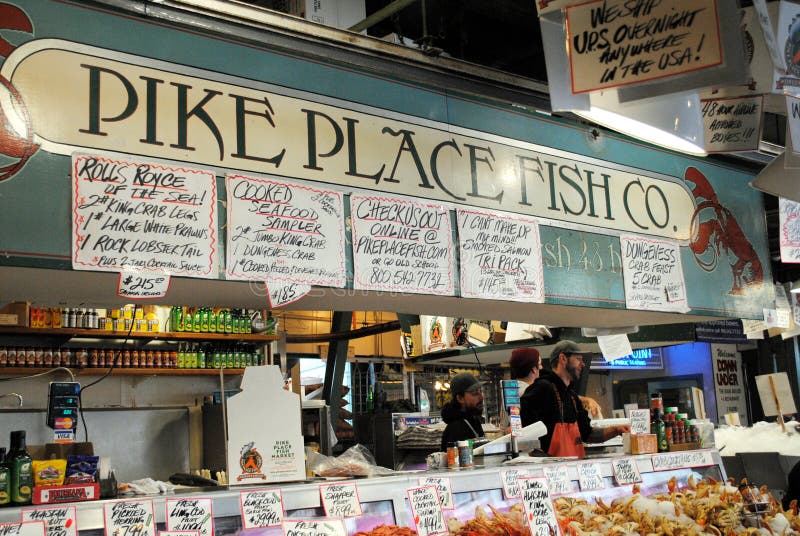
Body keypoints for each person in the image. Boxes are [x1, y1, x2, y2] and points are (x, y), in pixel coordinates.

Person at [520, 340, 628, 457]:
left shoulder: (572, 397)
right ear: (563, 359)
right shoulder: (543, 388)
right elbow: (524, 431)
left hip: (572, 470)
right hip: (552, 471)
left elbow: (587, 434)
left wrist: (617, 430)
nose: (583, 364)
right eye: (578, 359)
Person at [440, 372, 485, 451]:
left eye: (480, 391)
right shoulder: (456, 429)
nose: (481, 397)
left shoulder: (473, 420)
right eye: (475, 393)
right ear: (460, 398)